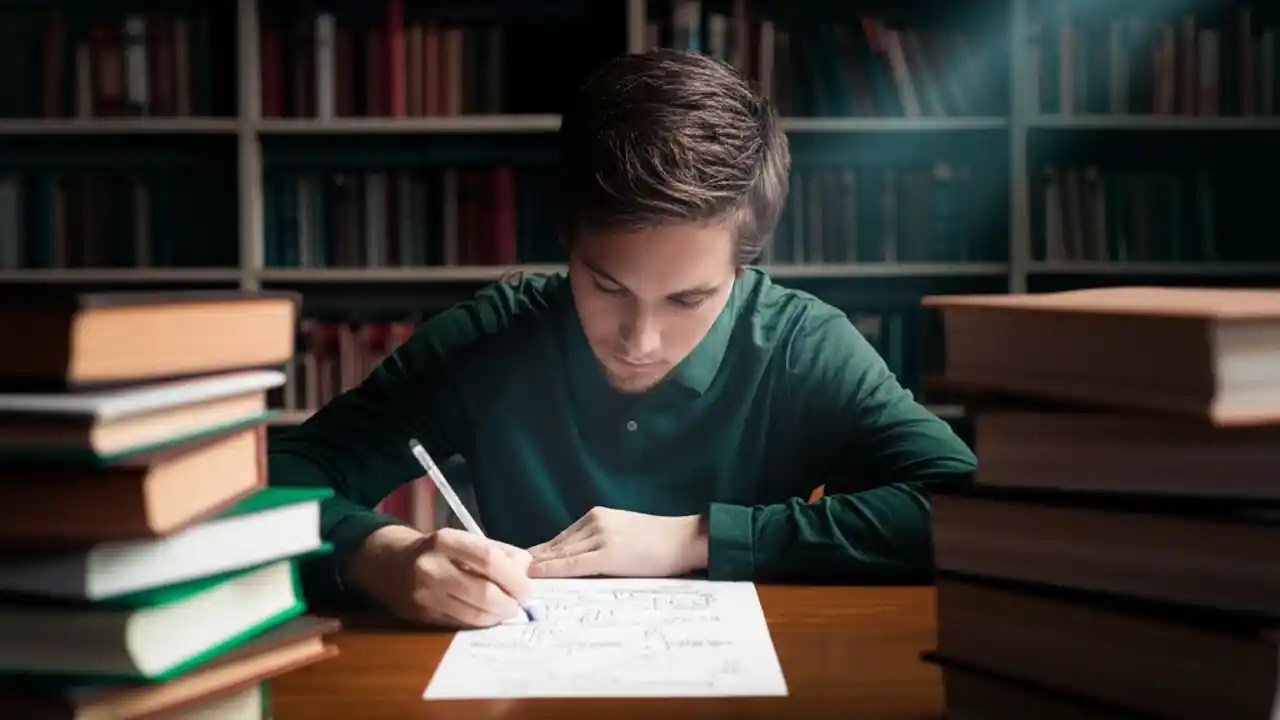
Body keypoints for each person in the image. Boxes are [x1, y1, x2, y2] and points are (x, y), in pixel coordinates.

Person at [269, 48, 976, 629]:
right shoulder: (492, 336)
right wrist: (379, 555)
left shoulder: (800, 346)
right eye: (607, 287)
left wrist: (695, 538)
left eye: (689, 299)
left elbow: (966, 508)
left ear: (744, 262)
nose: (640, 338)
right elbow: (265, 483)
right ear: (567, 243)